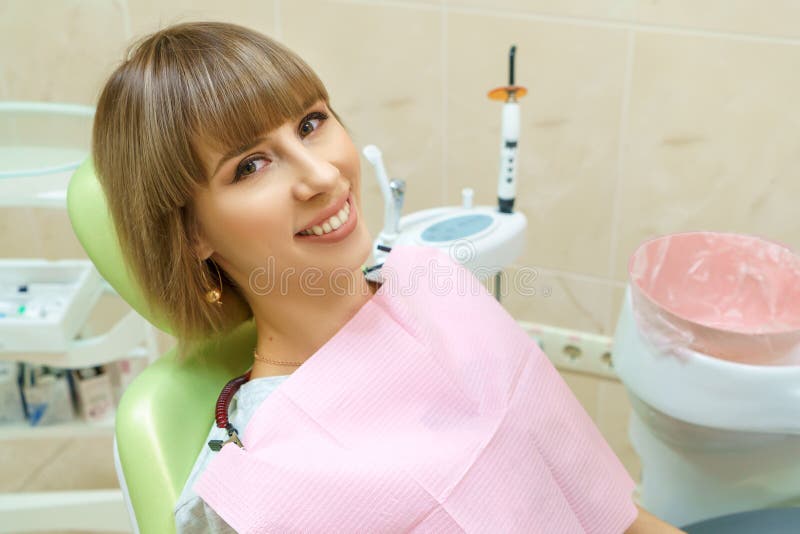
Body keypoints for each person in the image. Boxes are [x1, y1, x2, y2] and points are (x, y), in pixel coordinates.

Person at [92, 21, 684, 534]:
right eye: (250, 166)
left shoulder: (433, 286)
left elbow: (613, 516)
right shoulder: (262, 483)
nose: (323, 176)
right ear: (191, 234)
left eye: (311, 123)